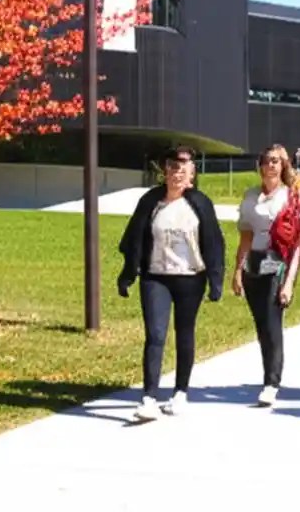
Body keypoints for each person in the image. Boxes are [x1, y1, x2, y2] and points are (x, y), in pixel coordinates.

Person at [117, 145, 226, 422]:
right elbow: (134, 238)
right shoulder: (151, 202)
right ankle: (149, 397)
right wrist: (128, 273)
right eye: (172, 167)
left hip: (191, 277)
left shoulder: (200, 203)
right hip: (155, 276)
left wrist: (216, 281)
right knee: (155, 334)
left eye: (183, 168)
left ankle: (180, 391)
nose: (177, 173)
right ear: (165, 171)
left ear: (192, 173)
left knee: (184, 332)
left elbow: (214, 243)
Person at [232, 144, 300, 408]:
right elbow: (245, 235)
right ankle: (268, 373)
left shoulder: (292, 197)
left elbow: (299, 244)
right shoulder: (251, 196)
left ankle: (272, 382)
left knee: (272, 321)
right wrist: (237, 270)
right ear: (260, 165)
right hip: (254, 261)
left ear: (284, 166)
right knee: (260, 324)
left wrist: (289, 282)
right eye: (267, 161)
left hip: (276, 260)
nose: (271, 166)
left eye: (276, 161)